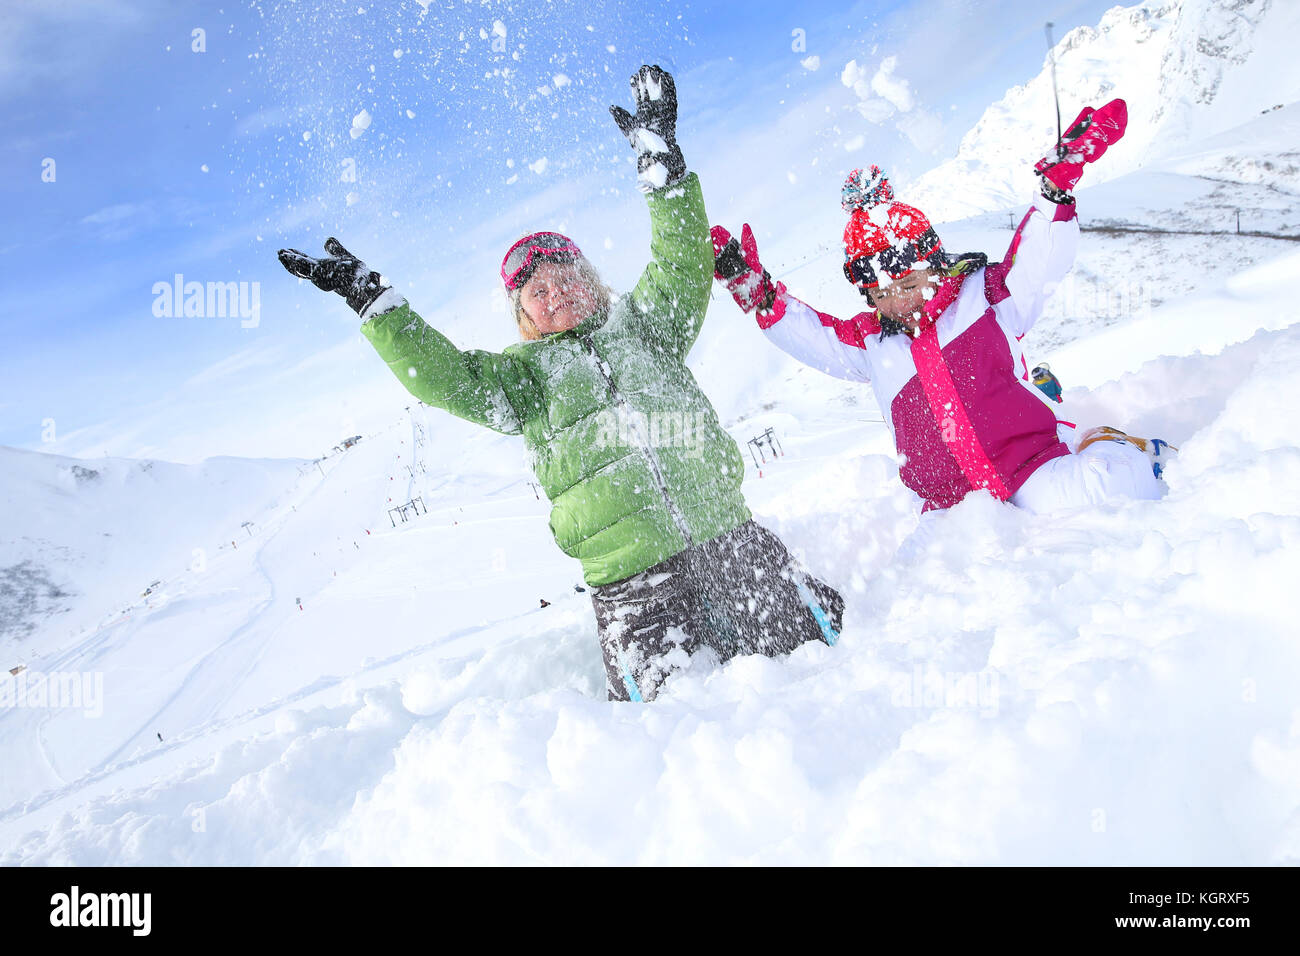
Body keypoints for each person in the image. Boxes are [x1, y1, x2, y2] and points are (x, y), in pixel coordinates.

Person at [278, 65, 843, 702]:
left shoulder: (646, 322)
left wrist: (662, 172)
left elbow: (682, 263)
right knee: (672, 725)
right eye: (536, 293)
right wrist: (377, 308)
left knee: (815, 663)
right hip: (630, 581)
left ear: (592, 279)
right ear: (523, 316)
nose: (555, 295)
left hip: (725, 537)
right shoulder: (522, 379)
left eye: (566, 277)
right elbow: (445, 379)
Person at [711, 99, 1176, 515]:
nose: (898, 300)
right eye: (881, 293)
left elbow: (1036, 266)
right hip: (953, 512)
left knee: (1105, 493)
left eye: (908, 282)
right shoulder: (872, 342)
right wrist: (757, 292)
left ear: (934, 265)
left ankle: (1112, 446)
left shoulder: (984, 298)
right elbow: (815, 336)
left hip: (1029, 470)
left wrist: (1053, 193)